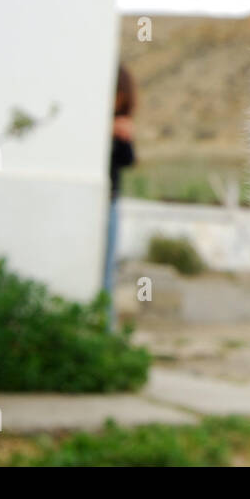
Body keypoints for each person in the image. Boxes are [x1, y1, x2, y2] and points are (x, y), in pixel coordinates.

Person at [104, 65, 137, 330]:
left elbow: (128, 160)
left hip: (111, 200)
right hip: (102, 201)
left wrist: (122, 136)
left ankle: (106, 327)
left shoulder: (121, 124)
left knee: (108, 269)